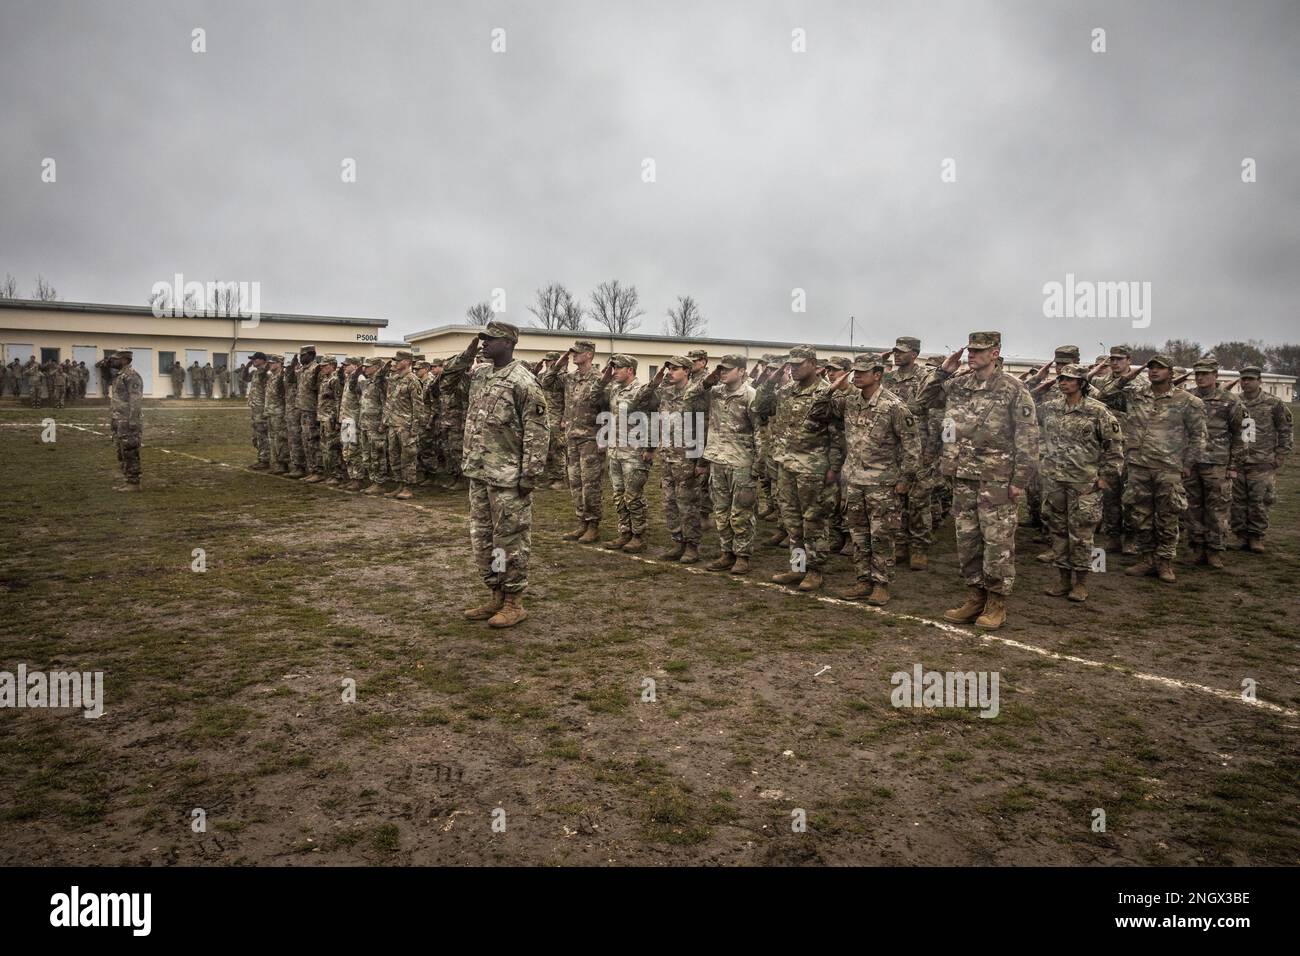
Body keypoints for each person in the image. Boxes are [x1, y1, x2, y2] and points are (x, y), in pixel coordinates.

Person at [914, 331, 1040, 630]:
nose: (972, 355)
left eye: (979, 351)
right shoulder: (958, 384)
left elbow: (1028, 437)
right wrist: (942, 371)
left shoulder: (1013, 389)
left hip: (997, 478)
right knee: (967, 539)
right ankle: (974, 596)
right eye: (970, 350)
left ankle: (996, 603)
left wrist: (1020, 480)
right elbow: (921, 402)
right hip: (963, 476)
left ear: (995, 353)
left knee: (997, 542)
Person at [443, 321, 547, 628]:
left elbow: (538, 431)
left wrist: (530, 475)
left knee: (510, 540)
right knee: (483, 539)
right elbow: (445, 383)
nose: (484, 343)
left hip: (508, 478)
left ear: (509, 343)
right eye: (482, 339)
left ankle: (514, 601)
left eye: (491, 339)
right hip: (480, 472)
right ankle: (496, 595)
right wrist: (468, 353)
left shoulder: (523, 381)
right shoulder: (481, 375)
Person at [1097, 354, 1207, 584]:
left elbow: (1199, 436)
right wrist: (1128, 376)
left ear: (1171, 372)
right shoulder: (1136, 395)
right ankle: (1147, 559)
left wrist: (1188, 464)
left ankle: (1165, 562)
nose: (1154, 371)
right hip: (1138, 465)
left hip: (1168, 467)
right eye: (1151, 368)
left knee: (1167, 516)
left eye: (1160, 368)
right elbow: (1104, 396)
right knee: (1140, 515)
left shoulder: (1188, 401)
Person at [826, 354, 920, 605]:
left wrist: (905, 479)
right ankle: (862, 580)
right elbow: (818, 408)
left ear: (877, 375)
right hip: (854, 480)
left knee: (882, 535)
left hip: (883, 483)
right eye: (854, 372)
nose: (855, 376)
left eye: (862, 372)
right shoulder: (849, 401)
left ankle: (881, 584)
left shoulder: (894, 406)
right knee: (858, 534)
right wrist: (832, 386)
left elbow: (912, 446)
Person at [755, 345, 841, 593]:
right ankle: (798, 567)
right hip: (786, 464)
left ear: (814, 365)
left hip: (813, 467)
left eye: (798, 363)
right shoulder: (786, 391)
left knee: (813, 520)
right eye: (790, 363)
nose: (792, 367)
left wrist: (834, 467)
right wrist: (770, 380)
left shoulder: (828, 393)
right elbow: (760, 407)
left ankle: (815, 570)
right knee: (792, 520)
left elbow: (838, 434)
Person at [1037, 365, 1124, 602]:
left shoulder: (1098, 412)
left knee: (1082, 535)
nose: (1063, 382)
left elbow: (1114, 448)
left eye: (1070, 379)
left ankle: (1082, 583)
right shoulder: (1050, 409)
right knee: (1058, 533)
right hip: (1055, 482)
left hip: (1085, 484)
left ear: (1082, 383)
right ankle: (1063, 580)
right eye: (1061, 378)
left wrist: (1105, 478)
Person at [539, 340, 610, 543]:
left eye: (577, 353)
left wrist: (603, 439)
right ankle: (582, 522)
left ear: (589, 355)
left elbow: (607, 410)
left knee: (591, 484)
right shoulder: (570, 378)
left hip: (590, 438)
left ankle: (593, 525)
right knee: (576, 483)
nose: (573, 355)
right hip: (572, 436)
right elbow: (547, 381)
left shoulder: (599, 379)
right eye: (572, 353)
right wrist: (561, 361)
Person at [700, 355, 760, 574]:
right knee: (721, 510)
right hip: (718, 459)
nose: (722, 373)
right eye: (720, 369)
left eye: (727, 369)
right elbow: (691, 396)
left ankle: (742, 556)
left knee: (741, 512)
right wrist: (709, 379)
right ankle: (727, 552)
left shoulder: (750, 396)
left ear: (742, 371)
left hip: (741, 462)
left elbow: (759, 432)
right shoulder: (715, 393)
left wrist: (758, 465)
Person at [646, 355, 708, 564]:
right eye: (669, 368)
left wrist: (701, 461)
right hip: (667, 456)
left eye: (675, 368)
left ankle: (692, 546)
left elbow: (703, 427)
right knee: (669, 502)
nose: (670, 372)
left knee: (687, 503)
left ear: (687, 371)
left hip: (686, 458)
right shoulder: (666, 393)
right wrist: (652, 447)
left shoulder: (696, 395)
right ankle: (678, 541)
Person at [1184, 355, 1245, 568]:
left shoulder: (1231, 400)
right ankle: (1197, 548)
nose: (1200, 378)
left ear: (1215, 376)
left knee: (1217, 510)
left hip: (1217, 465)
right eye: (1197, 374)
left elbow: (1242, 434)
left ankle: (1215, 550)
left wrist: (1234, 465)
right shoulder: (1188, 398)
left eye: (1205, 374)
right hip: (1191, 464)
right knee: (1193, 508)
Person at [883, 336, 934, 569]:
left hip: (919, 445)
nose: (897, 355)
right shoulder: (888, 377)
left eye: (902, 352)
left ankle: (920, 547)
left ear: (914, 354)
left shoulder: (925, 378)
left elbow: (929, 410)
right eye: (896, 351)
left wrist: (932, 450)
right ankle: (900, 543)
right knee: (895, 498)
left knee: (919, 499)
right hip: (892, 446)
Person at [1231, 365, 1293, 552]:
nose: (1246, 382)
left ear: (1260, 381)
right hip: (1239, 461)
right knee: (1238, 501)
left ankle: (1257, 537)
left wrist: (1281, 454)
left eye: (1250, 379)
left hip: (1263, 460)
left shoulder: (1273, 403)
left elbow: (1285, 429)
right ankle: (1241, 536)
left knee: (1260, 500)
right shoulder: (1234, 402)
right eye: (1244, 379)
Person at [601, 354, 657, 553]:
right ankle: (625, 532)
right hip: (616, 450)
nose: (614, 372)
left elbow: (653, 419)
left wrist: (650, 448)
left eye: (618, 368)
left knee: (633, 496)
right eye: (613, 368)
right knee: (618, 495)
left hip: (635, 452)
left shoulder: (642, 391)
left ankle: (639, 535)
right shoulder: (615, 389)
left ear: (630, 370)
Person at [381, 350, 419, 498]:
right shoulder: (395, 379)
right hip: (393, 424)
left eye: (398, 360)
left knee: (408, 457)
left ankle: (408, 488)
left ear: (407, 361)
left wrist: (414, 429)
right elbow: (389, 403)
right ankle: (400, 485)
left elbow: (418, 406)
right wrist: (385, 421)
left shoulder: (413, 380)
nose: (395, 362)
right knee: (394, 456)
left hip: (406, 426)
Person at [109, 350, 144, 491]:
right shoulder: (119, 375)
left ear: (124, 360)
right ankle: (128, 480)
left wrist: (133, 420)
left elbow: (135, 399)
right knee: (122, 451)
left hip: (128, 420)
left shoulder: (131, 376)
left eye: (116, 359)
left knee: (130, 451)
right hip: (119, 419)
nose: (113, 362)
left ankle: (134, 483)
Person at [246, 352, 270, 470]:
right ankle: (261, 458)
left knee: (262, 434)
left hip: (262, 407)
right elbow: (245, 378)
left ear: (262, 360)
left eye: (255, 359)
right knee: (256, 435)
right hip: (255, 407)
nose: (253, 361)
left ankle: (264, 460)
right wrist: (246, 367)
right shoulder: (255, 372)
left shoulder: (266, 372)